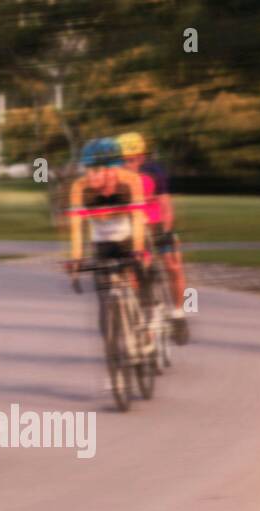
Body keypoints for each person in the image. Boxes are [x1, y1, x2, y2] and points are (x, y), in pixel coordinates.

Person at [65, 137, 153, 366]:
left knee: (136, 276)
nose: (90, 175)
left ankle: (144, 325)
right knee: (105, 300)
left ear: (112, 169)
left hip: (127, 236)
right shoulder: (79, 187)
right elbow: (76, 228)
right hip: (101, 241)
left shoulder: (131, 181)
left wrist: (138, 251)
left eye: (97, 170)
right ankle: (112, 355)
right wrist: (75, 260)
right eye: (88, 169)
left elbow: (137, 219)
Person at [117, 132, 189, 344]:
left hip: (157, 223)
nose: (127, 164)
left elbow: (166, 206)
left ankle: (178, 314)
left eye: (131, 159)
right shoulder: (116, 175)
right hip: (134, 229)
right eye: (122, 159)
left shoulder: (154, 172)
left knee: (173, 265)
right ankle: (146, 321)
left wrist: (166, 232)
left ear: (141, 157)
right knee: (136, 272)